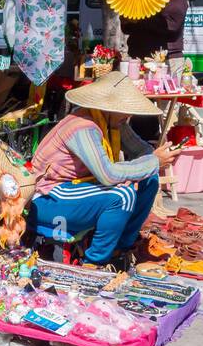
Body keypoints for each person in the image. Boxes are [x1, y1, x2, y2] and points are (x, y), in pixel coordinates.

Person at [29, 72, 184, 269]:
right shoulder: (83, 127)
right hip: (48, 199)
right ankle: (94, 261)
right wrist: (153, 162)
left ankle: (121, 249)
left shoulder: (112, 122)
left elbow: (141, 150)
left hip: (74, 191)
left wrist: (160, 156)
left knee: (150, 180)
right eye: (124, 111)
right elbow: (108, 174)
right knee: (122, 195)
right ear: (108, 108)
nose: (128, 116)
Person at [121, 0, 190, 77]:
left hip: (165, 60)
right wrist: (127, 19)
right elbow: (127, 29)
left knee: (164, 91)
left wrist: (140, 19)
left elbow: (172, 25)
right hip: (138, 58)